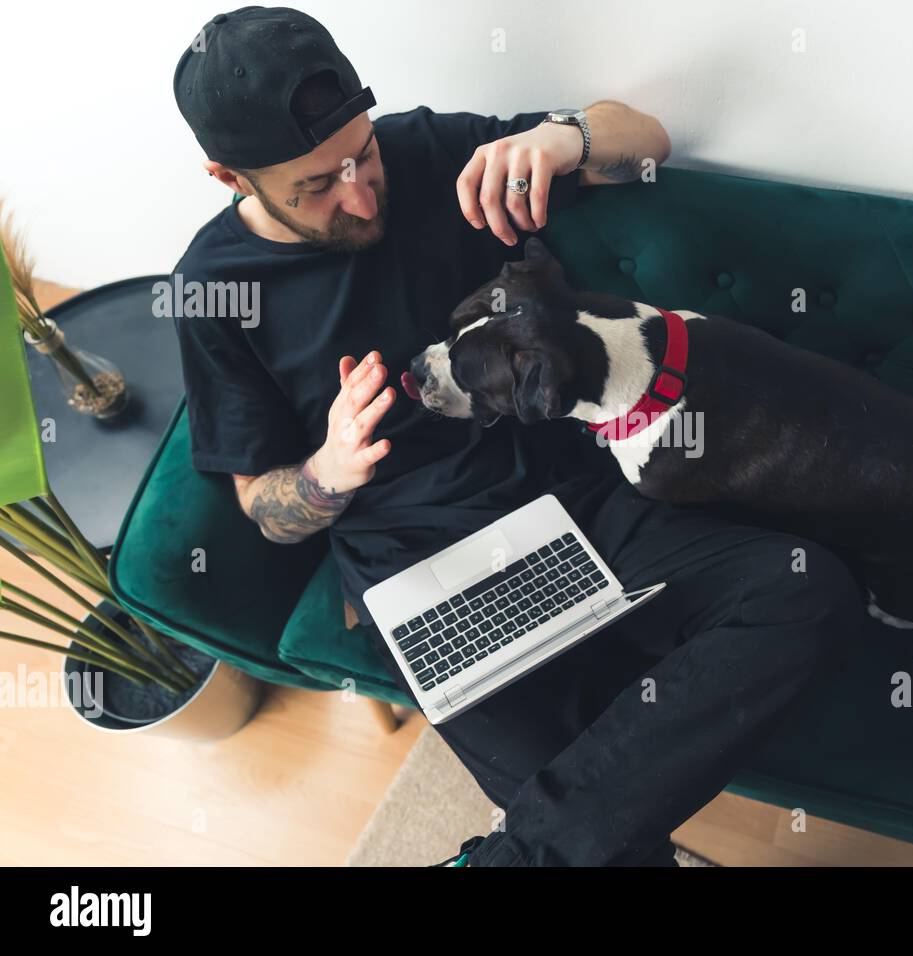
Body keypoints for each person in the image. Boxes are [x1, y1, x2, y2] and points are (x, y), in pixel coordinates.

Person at [171, 6, 863, 866]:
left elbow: (644, 140)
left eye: (362, 154)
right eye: (315, 185)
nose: (358, 191)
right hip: (430, 572)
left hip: (584, 500)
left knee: (809, 591)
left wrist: (567, 137)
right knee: (589, 823)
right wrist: (326, 472)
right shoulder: (213, 290)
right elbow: (262, 506)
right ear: (229, 177)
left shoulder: (428, 152)